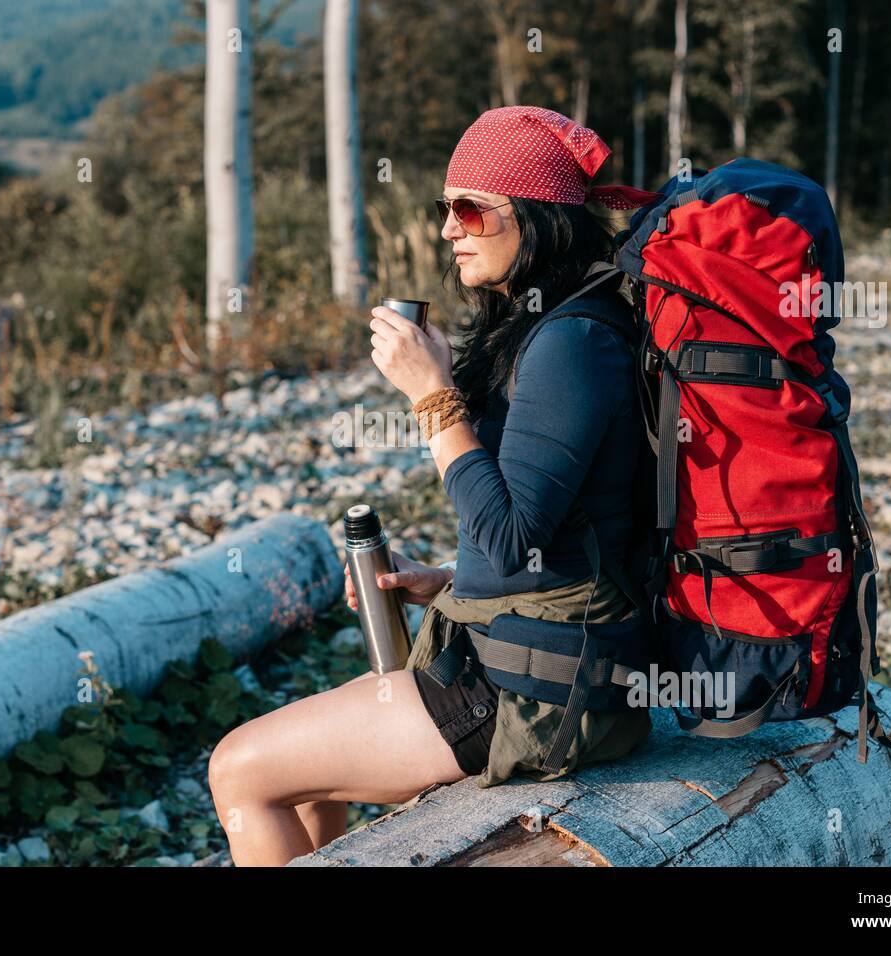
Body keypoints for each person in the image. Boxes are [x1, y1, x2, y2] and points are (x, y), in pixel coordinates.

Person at [208, 106, 657, 866]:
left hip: (538, 694)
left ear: (539, 217)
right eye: (445, 209)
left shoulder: (573, 343)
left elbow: (516, 534)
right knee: (310, 779)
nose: (448, 229)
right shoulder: (554, 328)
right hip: (528, 657)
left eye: (470, 209)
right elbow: (560, 530)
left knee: (239, 770)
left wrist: (433, 397)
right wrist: (442, 580)